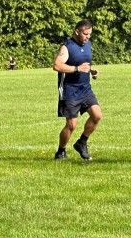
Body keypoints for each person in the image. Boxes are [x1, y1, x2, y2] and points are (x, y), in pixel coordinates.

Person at [53, 20, 101, 161]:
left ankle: (82, 143)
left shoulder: (88, 45)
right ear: (77, 32)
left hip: (85, 89)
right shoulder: (67, 47)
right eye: (85, 34)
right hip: (70, 91)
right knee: (72, 125)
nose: (88, 37)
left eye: (90, 35)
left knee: (97, 115)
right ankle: (61, 151)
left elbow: (84, 62)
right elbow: (57, 65)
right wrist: (76, 69)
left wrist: (92, 71)